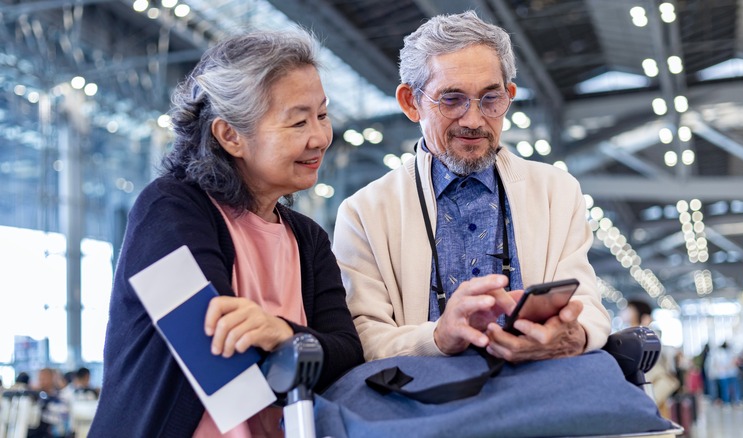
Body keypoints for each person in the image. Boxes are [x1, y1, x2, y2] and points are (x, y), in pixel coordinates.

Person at [90, 29, 363, 437]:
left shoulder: (309, 239)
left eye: (322, 115)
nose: (320, 137)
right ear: (230, 135)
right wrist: (303, 347)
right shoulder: (168, 208)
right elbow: (221, 363)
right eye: (298, 121)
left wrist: (280, 334)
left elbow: (348, 357)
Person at [332, 11, 610, 363]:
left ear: (509, 95)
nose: (474, 120)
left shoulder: (557, 192)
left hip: (538, 393)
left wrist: (572, 333)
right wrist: (437, 337)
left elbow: (587, 303)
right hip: (425, 406)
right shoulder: (365, 213)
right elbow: (364, 336)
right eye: (452, 100)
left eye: (490, 99)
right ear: (410, 102)